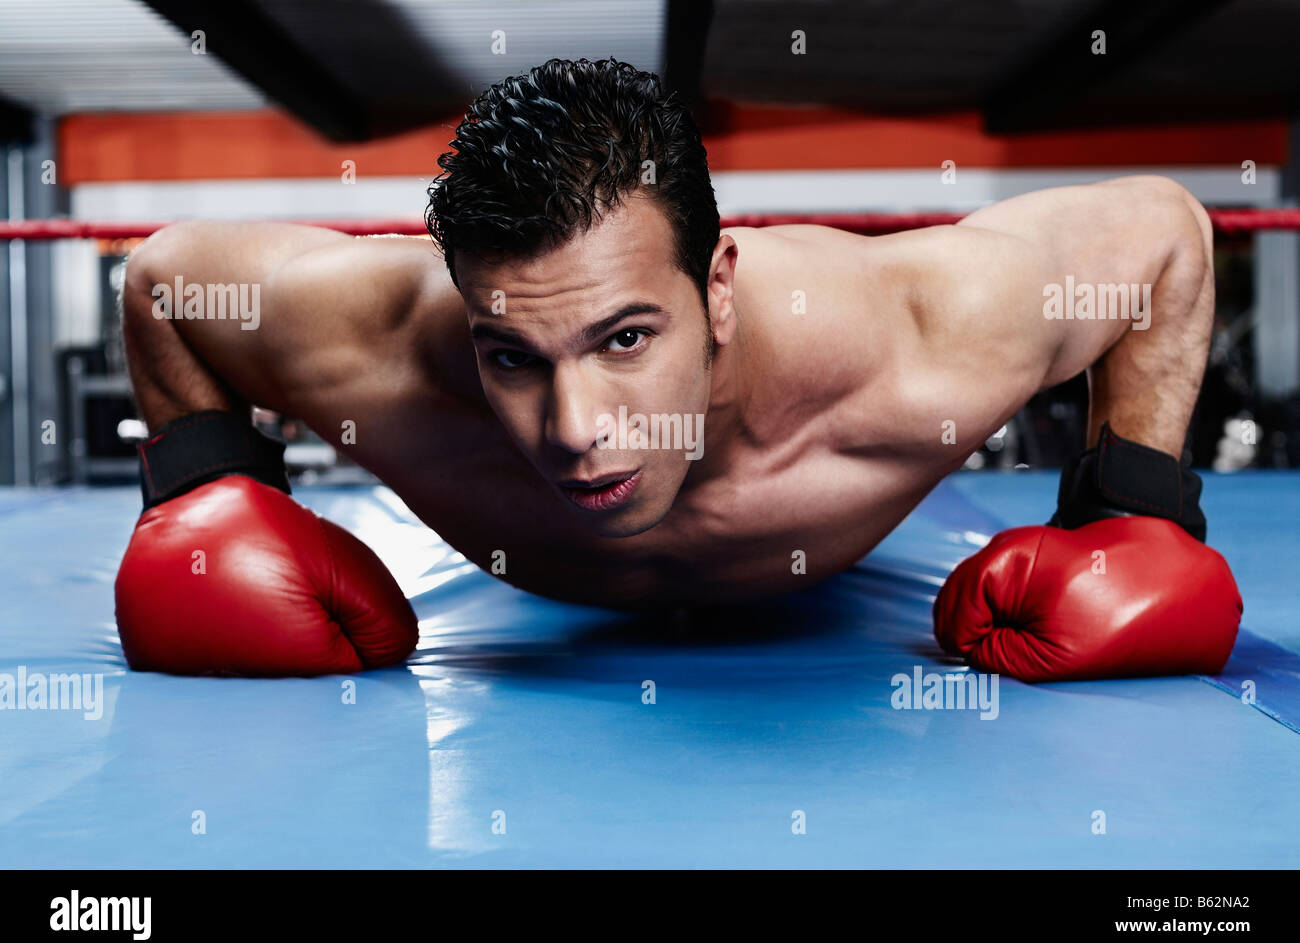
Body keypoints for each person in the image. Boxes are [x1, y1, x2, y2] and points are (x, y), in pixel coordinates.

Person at [114, 58, 1241, 681]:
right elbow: (165, 281)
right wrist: (216, 501)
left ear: (718, 289)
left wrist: (1128, 510)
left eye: (623, 338)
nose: (573, 429)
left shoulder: (929, 337)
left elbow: (1162, 231)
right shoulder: (375, 344)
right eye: (512, 356)